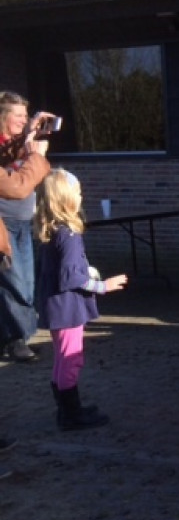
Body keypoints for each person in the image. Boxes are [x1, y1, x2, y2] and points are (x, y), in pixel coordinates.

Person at [34, 168, 128, 431]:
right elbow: (71, 277)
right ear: (67, 199)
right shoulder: (70, 236)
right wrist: (102, 286)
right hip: (67, 309)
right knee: (72, 359)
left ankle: (67, 410)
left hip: (55, 307)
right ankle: (71, 415)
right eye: (77, 191)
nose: (81, 195)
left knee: (62, 359)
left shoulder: (52, 232)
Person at [0, 91, 57, 362]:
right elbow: (18, 186)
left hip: (22, 221)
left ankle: (15, 338)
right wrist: (36, 156)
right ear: (3, 118)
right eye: (19, 116)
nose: (24, 120)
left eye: (26, 115)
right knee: (17, 284)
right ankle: (16, 340)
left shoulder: (8, 143)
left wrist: (30, 132)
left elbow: (8, 153)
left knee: (25, 283)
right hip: (4, 224)